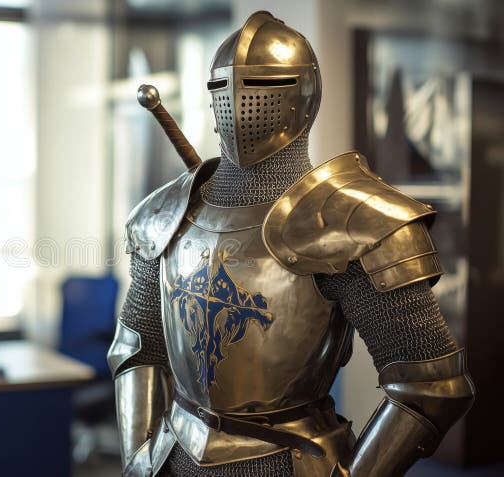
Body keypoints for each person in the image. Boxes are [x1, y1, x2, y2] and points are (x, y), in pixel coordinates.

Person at [108, 10, 474, 477]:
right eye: (223, 87)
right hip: (173, 452)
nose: (240, 101)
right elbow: (138, 347)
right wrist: (138, 455)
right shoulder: (167, 212)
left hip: (290, 459)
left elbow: (432, 384)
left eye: (265, 83)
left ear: (302, 94)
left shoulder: (349, 218)